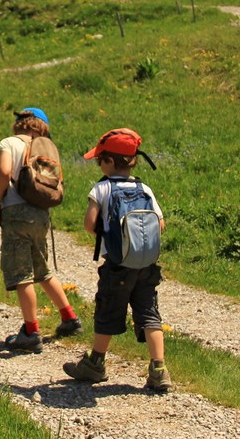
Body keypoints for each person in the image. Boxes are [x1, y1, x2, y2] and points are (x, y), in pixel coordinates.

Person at [63, 128, 172, 391]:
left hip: (117, 266)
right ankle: (159, 370)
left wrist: (112, 236)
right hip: (146, 265)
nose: (99, 164)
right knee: (148, 313)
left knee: (108, 310)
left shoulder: (101, 189)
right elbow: (161, 224)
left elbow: (90, 224)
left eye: (100, 159)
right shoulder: (143, 187)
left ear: (110, 161)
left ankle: (95, 364)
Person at [0, 107, 83, 353]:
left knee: (22, 274)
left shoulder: (9, 143)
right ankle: (69, 319)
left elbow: (4, 172)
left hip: (16, 214)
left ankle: (31, 331)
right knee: (42, 269)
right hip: (41, 213)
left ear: (19, 123)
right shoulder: (45, 148)